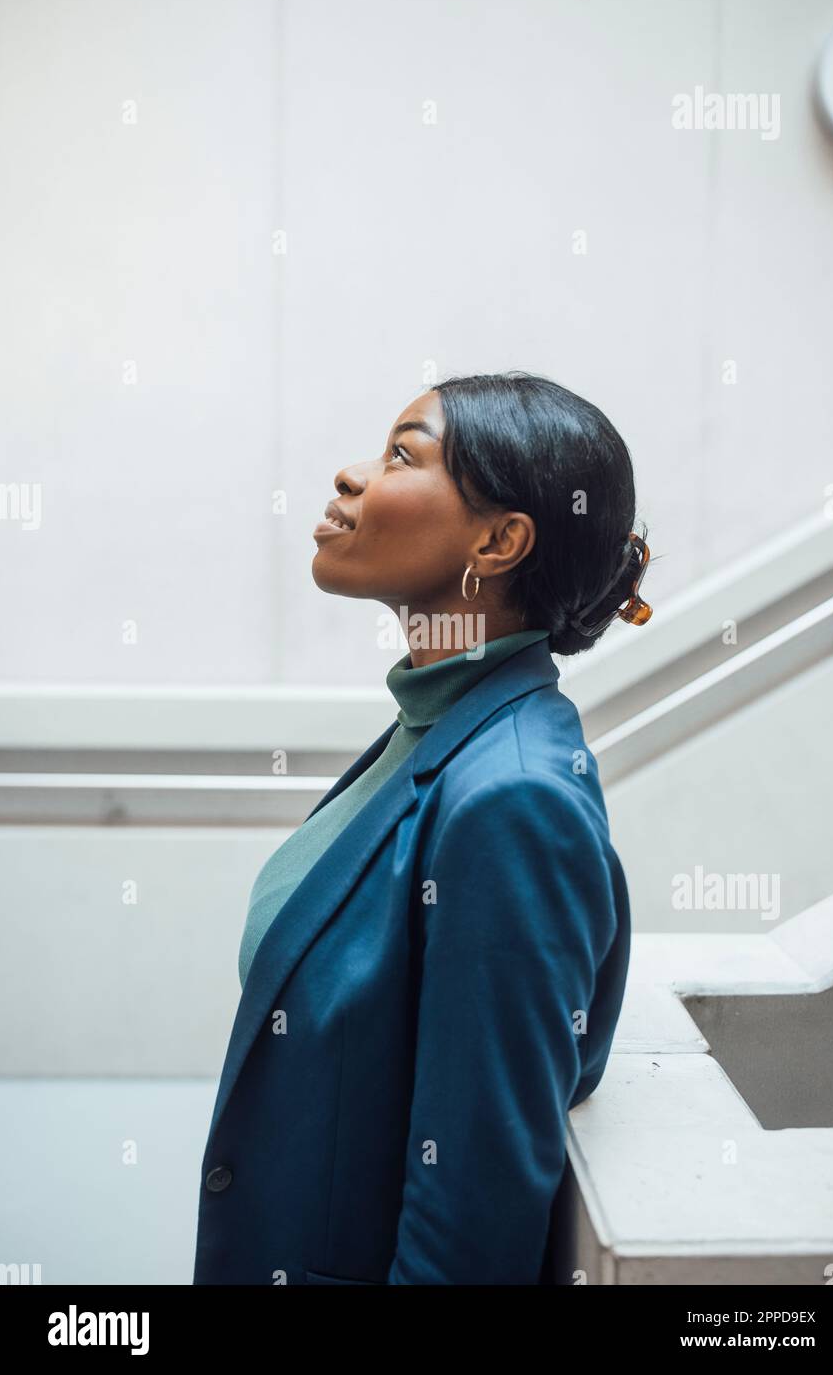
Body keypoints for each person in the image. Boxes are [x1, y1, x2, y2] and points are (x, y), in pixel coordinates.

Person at [193, 370, 652, 1285]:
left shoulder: (511, 799)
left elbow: (475, 1214)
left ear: (498, 540)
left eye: (402, 454)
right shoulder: (437, 724)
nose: (350, 476)